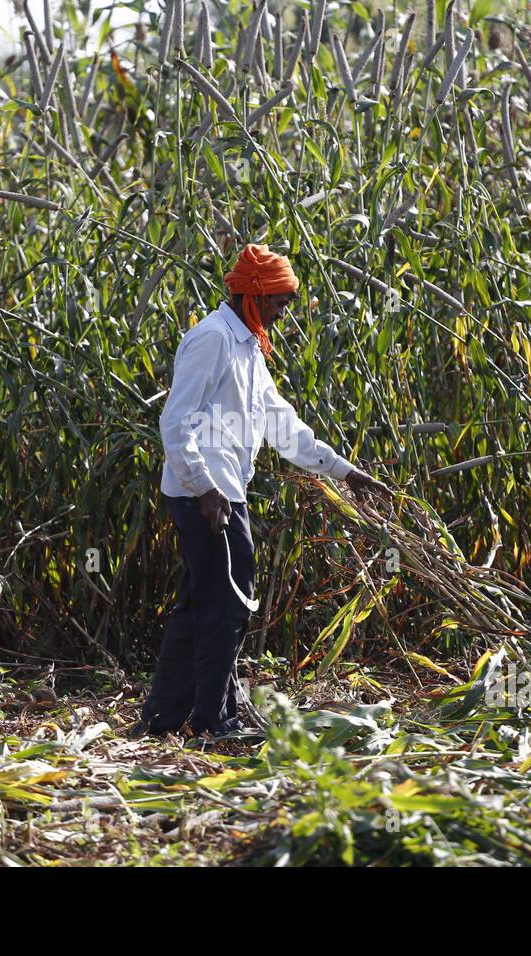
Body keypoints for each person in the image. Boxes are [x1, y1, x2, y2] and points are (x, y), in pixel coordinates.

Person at [131, 243, 390, 740]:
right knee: (228, 603)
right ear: (251, 294)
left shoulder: (248, 345)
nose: (280, 314)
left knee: (199, 603)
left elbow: (280, 422)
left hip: (222, 491)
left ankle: (162, 719)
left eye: (285, 304)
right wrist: (204, 487)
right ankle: (214, 722)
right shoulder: (212, 340)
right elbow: (174, 421)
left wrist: (345, 472)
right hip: (205, 495)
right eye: (276, 302)